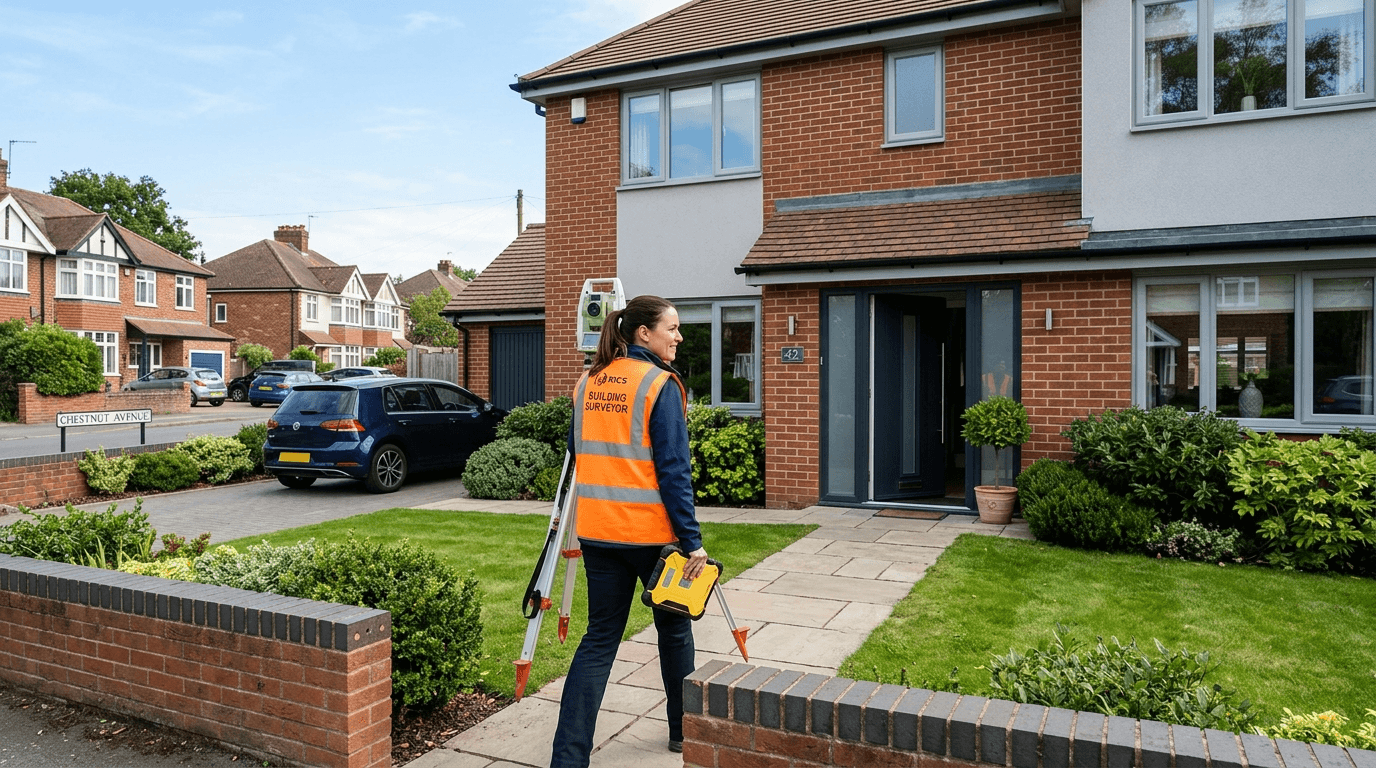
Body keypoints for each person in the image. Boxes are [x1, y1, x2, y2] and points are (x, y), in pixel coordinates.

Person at [550, 295, 707, 767]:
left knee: (599, 639)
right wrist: (692, 540)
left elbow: (581, 458)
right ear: (644, 333)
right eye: (672, 328)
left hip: (598, 533)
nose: (678, 337)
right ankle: (683, 733)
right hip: (652, 538)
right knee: (675, 629)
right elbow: (674, 470)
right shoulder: (660, 383)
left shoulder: (587, 381)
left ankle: (568, 758)